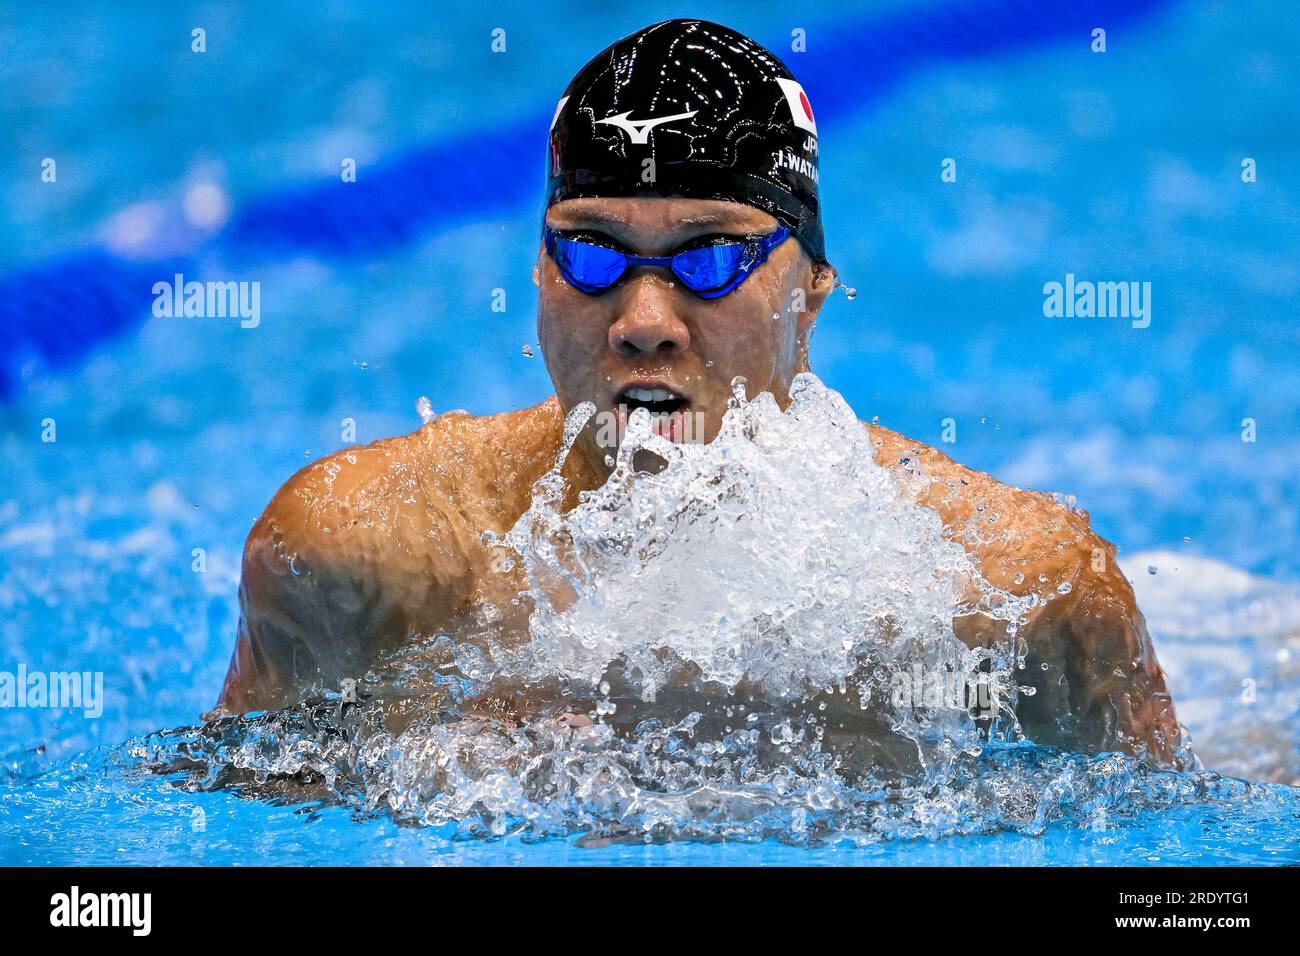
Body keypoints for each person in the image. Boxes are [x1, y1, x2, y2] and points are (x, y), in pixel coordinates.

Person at [211, 19, 1184, 767]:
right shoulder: (360, 552)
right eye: (591, 252)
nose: (642, 316)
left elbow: (1172, 857)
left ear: (811, 287)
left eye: (710, 257)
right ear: (541, 274)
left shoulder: (1010, 586)